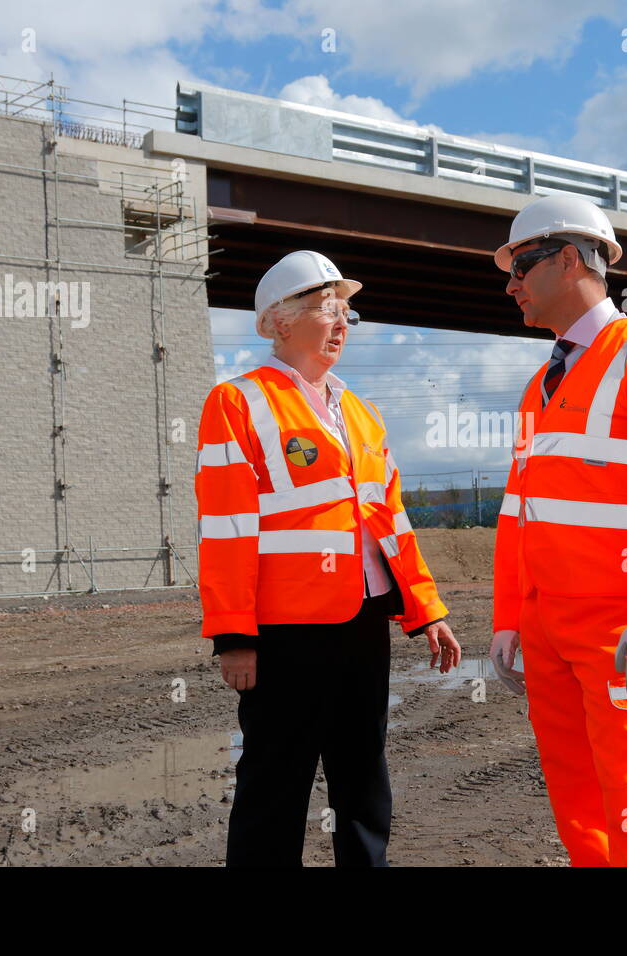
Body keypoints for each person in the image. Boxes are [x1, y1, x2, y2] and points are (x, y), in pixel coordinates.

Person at [195, 249, 461, 867]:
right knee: (275, 780)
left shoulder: (360, 413)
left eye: (346, 311)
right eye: (325, 308)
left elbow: (391, 523)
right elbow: (227, 528)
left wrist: (426, 609)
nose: (341, 322)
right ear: (279, 321)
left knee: (363, 774)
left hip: (363, 621)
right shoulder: (238, 403)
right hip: (285, 630)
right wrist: (234, 635)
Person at [487, 194, 627, 866]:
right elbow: (518, 511)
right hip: (546, 626)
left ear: (568, 260)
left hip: (619, 628)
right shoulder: (542, 386)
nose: (510, 285)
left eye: (520, 268)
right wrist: (510, 618)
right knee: (576, 797)